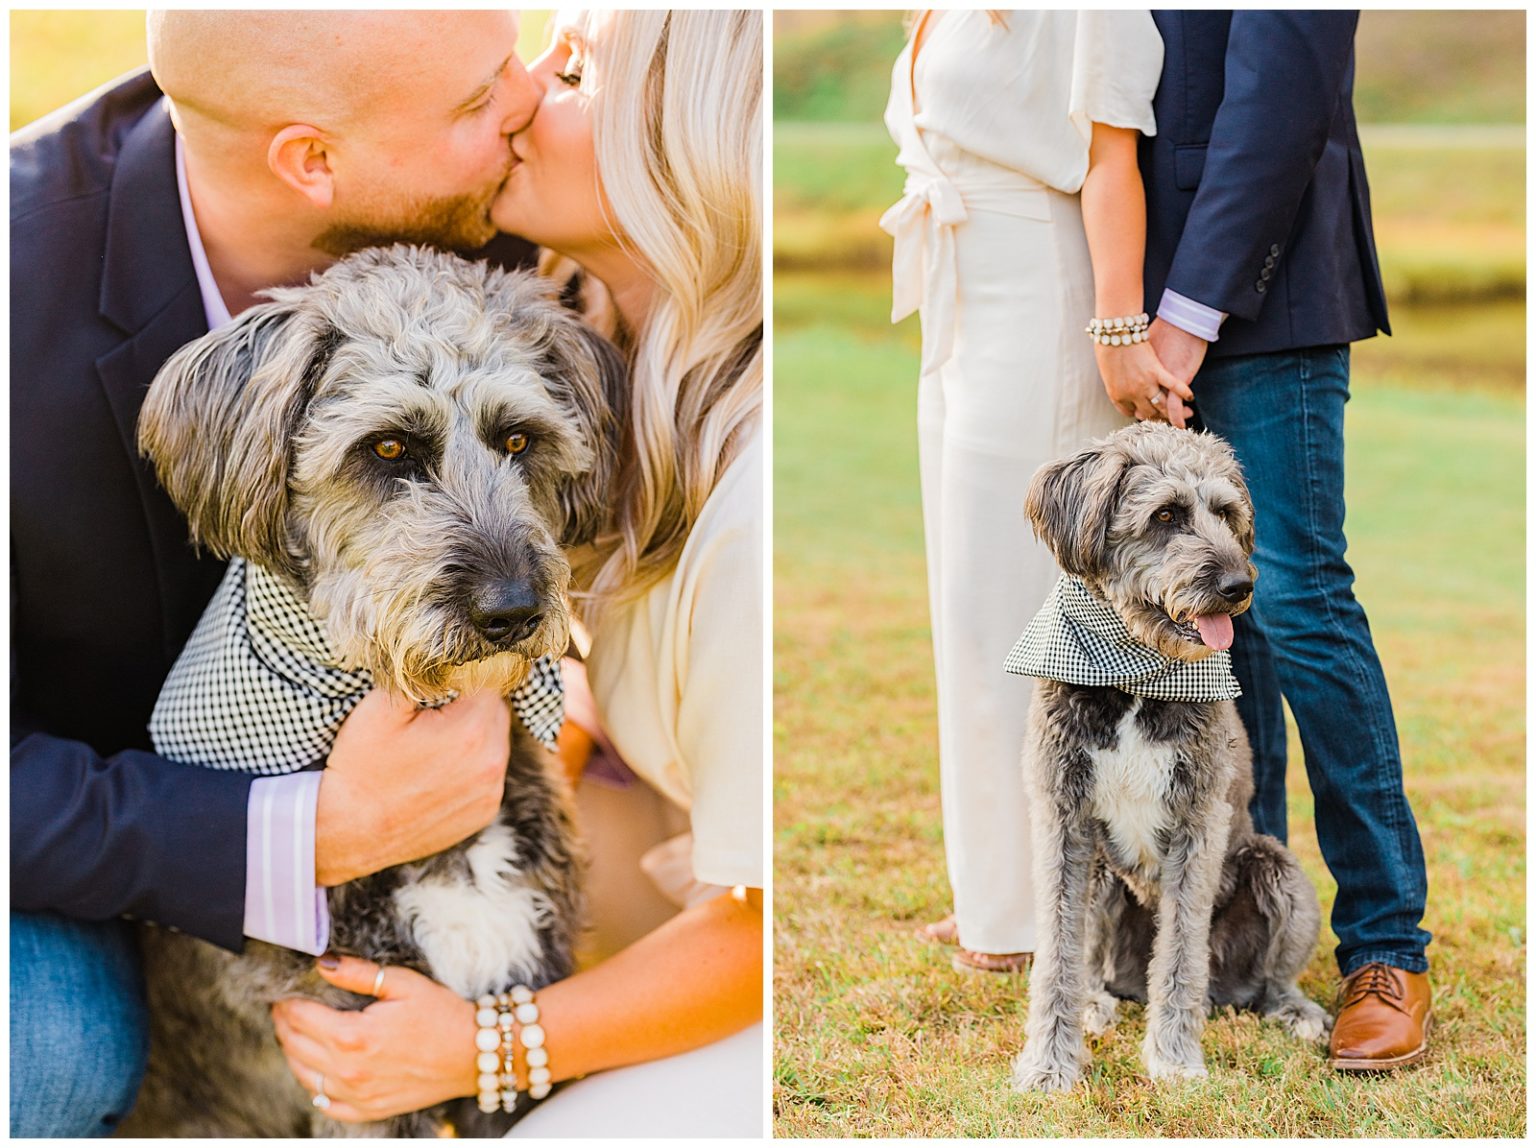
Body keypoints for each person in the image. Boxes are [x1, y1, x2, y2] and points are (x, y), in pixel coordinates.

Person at [10, 10, 548, 1136]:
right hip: (50, 840)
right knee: (45, 1051)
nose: (533, 100)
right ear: (312, 158)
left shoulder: (504, 223)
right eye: (475, 97)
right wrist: (297, 835)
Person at [266, 10, 765, 1136]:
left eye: (577, 67)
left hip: (748, 960)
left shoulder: (753, 501)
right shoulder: (579, 346)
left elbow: (770, 919)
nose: (524, 88)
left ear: (683, 139)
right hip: (653, 863)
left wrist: (483, 1045)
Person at [1139, 9, 1432, 1070]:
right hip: (1143, 305)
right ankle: (1249, 927)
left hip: (1266, 293)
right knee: (1214, 625)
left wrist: (1187, 308)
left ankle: (1388, 949)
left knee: (1302, 603)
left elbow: (1281, 94)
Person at [881, 10, 1187, 974]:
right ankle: (998, 895)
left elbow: (1109, 163)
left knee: (1017, 610)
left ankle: (1042, 917)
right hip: (961, 294)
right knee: (967, 610)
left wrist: (1116, 327)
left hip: (1039, 301)